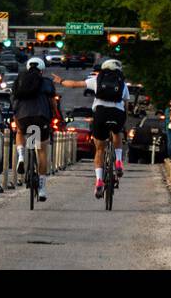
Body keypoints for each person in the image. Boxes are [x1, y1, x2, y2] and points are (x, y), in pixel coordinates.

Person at [55, 59, 130, 199]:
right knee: (117, 132)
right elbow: (126, 104)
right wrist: (123, 118)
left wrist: (61, 81)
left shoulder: (97, 79)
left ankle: (99, 181)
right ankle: (119, 161)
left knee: (100, 149)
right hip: (117, 113)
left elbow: (75, 84)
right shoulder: (122, 83)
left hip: (100, 113)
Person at [10, 56, 59, 202]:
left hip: (23, 117)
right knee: (42, 149)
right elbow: (52, 103)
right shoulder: (47, 83)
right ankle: (42, 189)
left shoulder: (19, 80)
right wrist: (56, 115)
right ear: (42, 71)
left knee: (20, 132)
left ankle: (21, 156)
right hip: (40, 117)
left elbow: (13, 99)